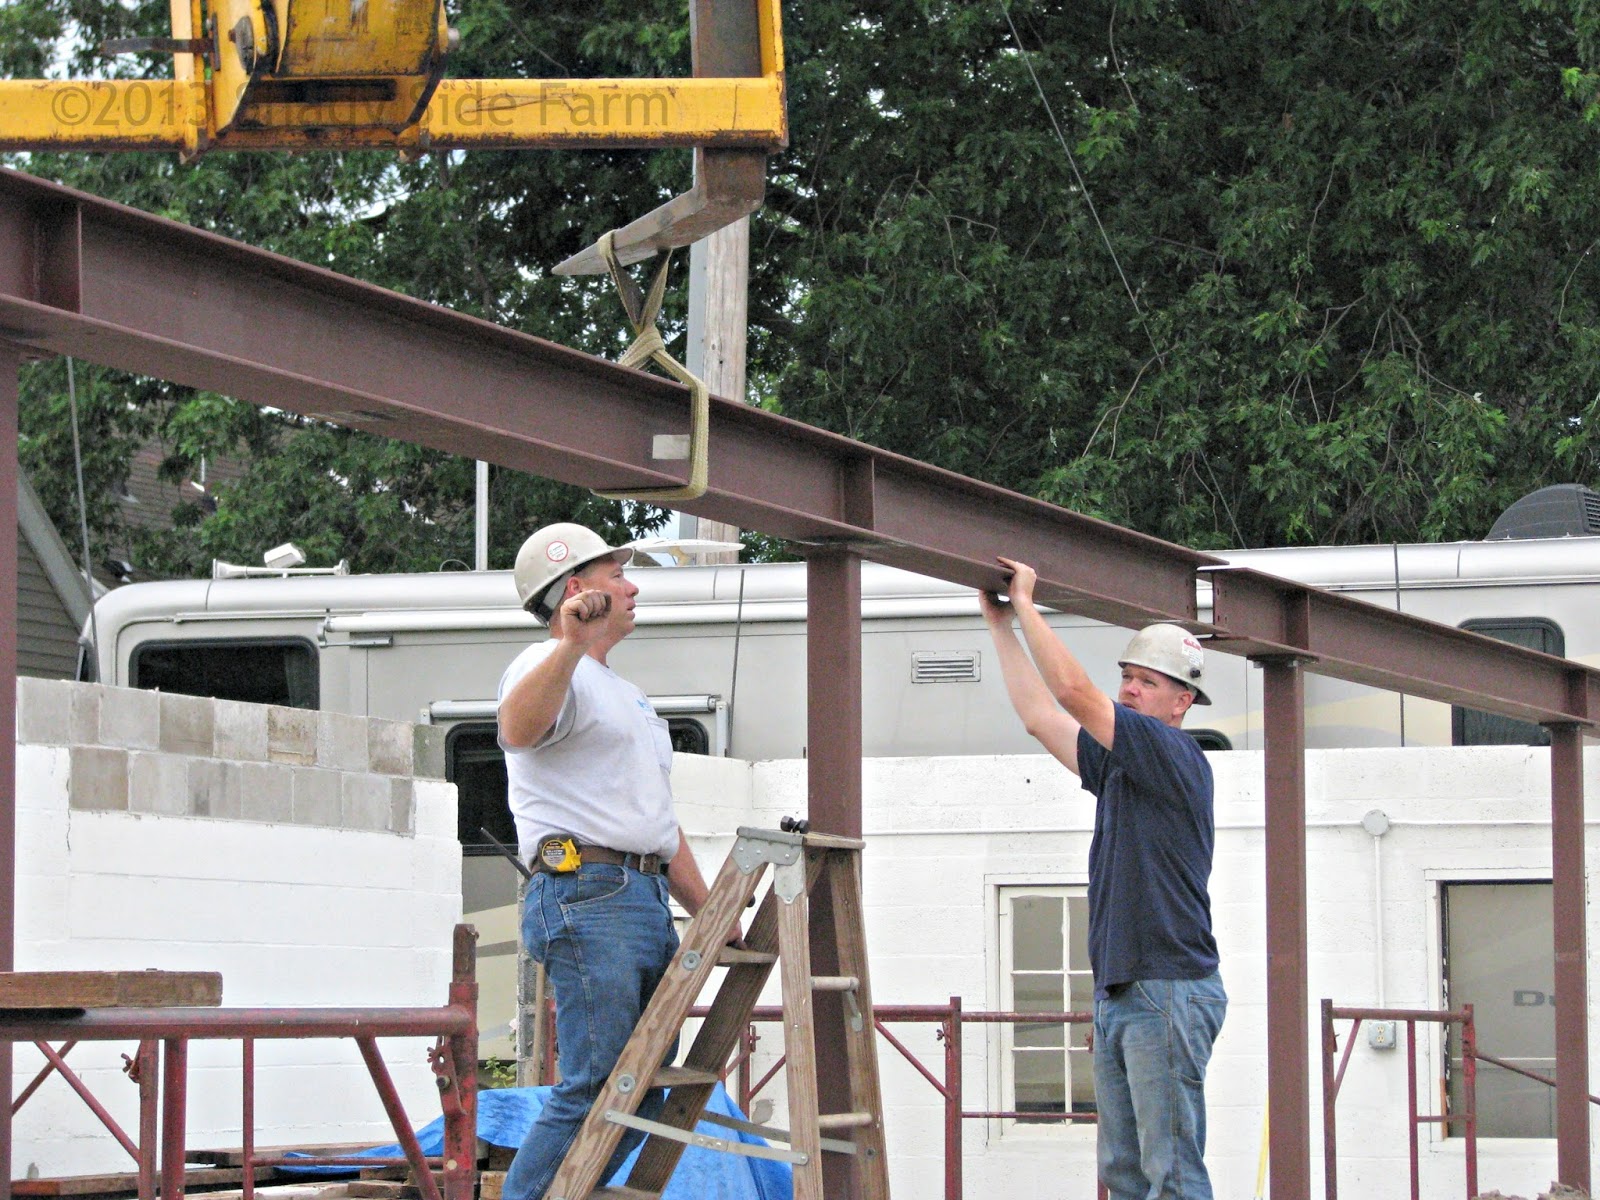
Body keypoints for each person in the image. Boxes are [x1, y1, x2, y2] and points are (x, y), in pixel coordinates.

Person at [980, 556, 1226, 1200]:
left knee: (1171, 1172)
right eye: (1128, 677)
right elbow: (1042, 717)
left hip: (1167, 986)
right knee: (1124, 1173)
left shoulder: (1173, 752)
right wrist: (1000, 624)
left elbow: (1071, 695)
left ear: (1183, 702)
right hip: (1129, 989)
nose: (1131, 689)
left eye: (1148, 682)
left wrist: (1028, 603)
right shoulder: (1124, 761)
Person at [498, 522, 716, 1199]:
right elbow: (516, 729)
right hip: (587, 889)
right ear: (575, 589)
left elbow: (655, 823)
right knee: (600, 1076)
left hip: (635, 893)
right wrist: (566, 641)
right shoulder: (545, 663)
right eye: (616, 575)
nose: (632, 585)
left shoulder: (622, 693)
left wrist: (710, 914)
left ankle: (572, 1187)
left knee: (649, 1070)